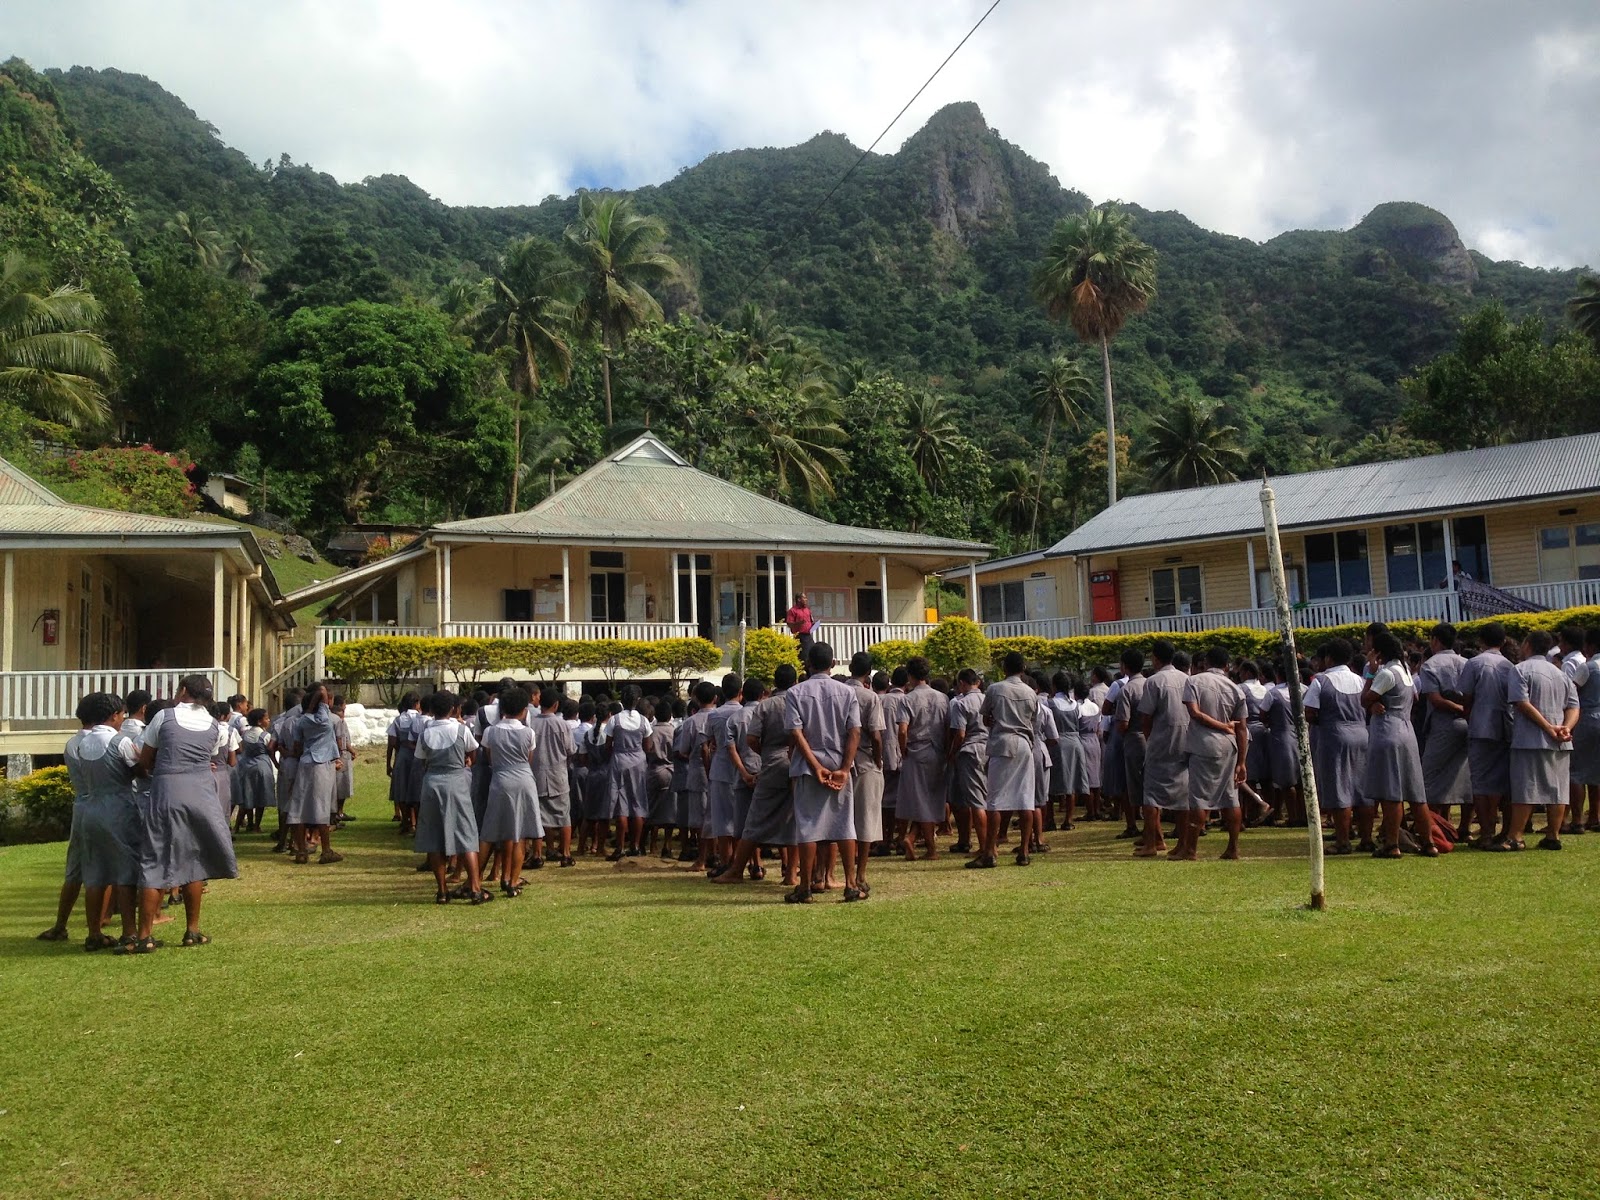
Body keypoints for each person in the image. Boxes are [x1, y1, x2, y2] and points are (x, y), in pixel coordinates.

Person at [130, 674, 238, 952]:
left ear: (182, 690)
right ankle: (192, 930)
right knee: (195, 859)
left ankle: (145, 935)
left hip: (167, 791)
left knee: (155, 858)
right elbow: (210, 756)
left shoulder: (164, 717)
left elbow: (146, 760)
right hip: (202, 793)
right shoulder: (215, 725)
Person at [62, 692, 142, 952]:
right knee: (125, 871)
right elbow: (139, 770)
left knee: (94, 874)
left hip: (89, 809)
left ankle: (94, 933)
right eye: (121, 715)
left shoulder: (81, 743)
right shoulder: (120, 741)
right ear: (113, 715)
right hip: (118, 807)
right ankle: (129, 932)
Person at [783, 642, 860, 904]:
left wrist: (815, 765)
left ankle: (805, 886)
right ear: (833, 664)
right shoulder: (847, 692)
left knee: (808, 827)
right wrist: (845, 768)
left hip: (808, 767)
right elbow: (854, 732)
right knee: (844, 825)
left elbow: (796, 733)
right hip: (838, 765)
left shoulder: (795, 692)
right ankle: (850, 884)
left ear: (808, 665)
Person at [713, 663, 801, 887]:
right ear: (795, 682)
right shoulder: (800, 701)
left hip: (771, 764)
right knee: (794, 818)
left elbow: (752, 739)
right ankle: (791, 873)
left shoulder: (766, 706)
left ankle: (737, 870)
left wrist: (766, 752)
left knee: (754, 819)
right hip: (797, 762)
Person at [1498, 630, 1579, 851]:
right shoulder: (1560, 673)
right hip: (1560, 740)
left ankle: (1515, 836)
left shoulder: (1520, 669)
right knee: (1558, 789)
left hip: (1530, 738)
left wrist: (1547, 727)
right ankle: (1553, 834)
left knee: (1526, 787)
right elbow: (1573, 706)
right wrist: (1565, 727)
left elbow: (1521, 703)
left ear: (1527, 645)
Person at [1362, 632, 1436, 858]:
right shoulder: (1405, 672)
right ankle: (1429, 843)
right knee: (1415, 792)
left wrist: (1371, 672)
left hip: (1388, 730)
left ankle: (1392, 844)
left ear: (1379, 652)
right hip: (1406, 730)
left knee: (1391, 792)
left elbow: (1364, 699)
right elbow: (1414, 698)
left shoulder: (1386, 673)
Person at [414, 690, 490, 904]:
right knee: (466, 834)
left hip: (432, 783)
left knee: (434, 837)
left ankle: (442, 891)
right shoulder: (461, 729)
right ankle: (475, 887)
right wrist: (464, 761)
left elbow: (422, 759)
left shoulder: (425, 733)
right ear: (453, 709)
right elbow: (473, 754)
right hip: (456, 782)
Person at [1180, 647, 1248, 861]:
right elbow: (1242, 728)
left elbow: (1194, 713)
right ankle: (1233, 848)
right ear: (1227, 666)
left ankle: (1190, 850)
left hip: (1204, 744)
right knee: (1230, 797)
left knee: (1199, 799)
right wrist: (1242, 761)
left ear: (1206, 662)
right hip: (1229, 746)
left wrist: (1220, 726)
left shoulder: (1194, 681)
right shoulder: (1235, 688)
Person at [1304, 638, 1371, 855]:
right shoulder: (1360, 680)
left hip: (1334, 735)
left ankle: (1343, 840)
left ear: (1328, 658)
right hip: (1362, 734)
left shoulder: (1321, 681)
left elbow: (1309, 712)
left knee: (1339, 788)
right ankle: (1366, 838)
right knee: (1362, 789)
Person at [974, 650, 1038, 869]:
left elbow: (985, 718)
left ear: (1004, 668)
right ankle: (1024, 851)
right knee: (1025, 799)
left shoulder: (995, 689)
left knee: (995, 800)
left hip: (1002, 742)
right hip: (1025, 744)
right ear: (1023, 668)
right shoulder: (1030, 692)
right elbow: (1033, 720)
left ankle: (989, 851)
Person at [1459, 621, 1518, 848]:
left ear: (1480, 641)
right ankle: (1505, 832)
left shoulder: (1475, 663)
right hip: (1506, 728)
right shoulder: (1509, 665)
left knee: (1482, 783)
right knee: (1506, 783)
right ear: (1503, 641)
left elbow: (1466, 696)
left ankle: (1486, 833)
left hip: (1481, 726)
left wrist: (1468, 712)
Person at [479, 686, 543, 895]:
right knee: (520, 834)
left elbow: (490, 757)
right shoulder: (528, 733)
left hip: (500, 781)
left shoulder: (490, 731)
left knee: (489, 833)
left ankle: (475, 881)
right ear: (524, 711)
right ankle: (513, 882)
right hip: (524, 781)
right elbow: (528, 759)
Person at [1415, 623, 1471, 835]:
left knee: (1429, 777)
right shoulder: (1467, 663)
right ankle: (1464, 827)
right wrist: (1467, 710)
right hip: (1468, 722)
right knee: (1466, 776)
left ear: (1435, 640)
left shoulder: (1430, 665)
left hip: (1444, 723)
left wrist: (1458, 708)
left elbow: (1436, 699)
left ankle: (1432, 829)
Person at [1136, 640, 1189, 857]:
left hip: (1160, 741)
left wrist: (1150, 739)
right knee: (1184, 796)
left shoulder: (1154, 681)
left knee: (1151, 796)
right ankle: (1183, 843)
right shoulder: (1186, 679)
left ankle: (1151, 843)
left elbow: (1146, 717)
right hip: (1185, 741)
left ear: (1155, 658)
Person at [895, 656, 949, 861]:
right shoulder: (942, 698)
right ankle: (922, 843)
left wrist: (903, 749)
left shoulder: (907, 699)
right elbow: (948, 728)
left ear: (910, 676)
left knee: (920, 801)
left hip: (916, 751)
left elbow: (902, 730)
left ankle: (921, 843)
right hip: (937, 751)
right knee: (931, 800)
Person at [287, 683, 344, 865]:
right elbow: (321, 691)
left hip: (305, 763)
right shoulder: (324, 719)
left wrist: (308, 708)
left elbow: (297, 747)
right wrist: (316, 704)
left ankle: (301, 851)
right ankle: (326, 850)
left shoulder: (301, 721)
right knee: (321, 807)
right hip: (322, 765)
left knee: (299, 807)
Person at [845, 653, 885, 895]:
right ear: (868, 673)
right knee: (866, 820)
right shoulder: (870, 697)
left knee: (843, 821)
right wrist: (878, 760)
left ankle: (830, 873)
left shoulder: (839, 692)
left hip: (840, 762)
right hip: (865, 761)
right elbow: (876, 735)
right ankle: (859, 874)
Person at [603, 684, 655, 861]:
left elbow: (607, 745)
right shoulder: (644, 721)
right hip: (638, 762)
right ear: (638, 700)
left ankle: (620, 847)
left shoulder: (614, 720)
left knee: (621, 805)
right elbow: (648, 746)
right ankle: (636, 845)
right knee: (638, 802)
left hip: (619, 761)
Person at [529, 686, 576, 867]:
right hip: (558, 775)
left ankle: (537, 854)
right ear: (556, 705)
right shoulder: (562, 725)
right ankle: (566, 854)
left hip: (537, 775)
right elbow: (571, 750)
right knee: (563, 816)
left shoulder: (531, 724)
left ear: (540, 703)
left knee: (539, 817)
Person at [701, 673, 744, 871]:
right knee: (740, 817)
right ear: (740, 692)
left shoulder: (714, 715)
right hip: (743, 768)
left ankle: (726, 861)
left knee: (721, 818)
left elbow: (706, 744)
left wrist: (708, 766)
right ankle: (738, 860)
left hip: (720, 768)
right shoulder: (746, 713)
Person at [947, 667, 988, 854]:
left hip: (970, 751)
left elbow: (960, 734)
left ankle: (984, 846)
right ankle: (984, 843)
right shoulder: (988, 699)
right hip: (989, 749)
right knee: (986, 799)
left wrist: (952, 752)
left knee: (976, 802)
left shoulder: (960, 703)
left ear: (962, 683)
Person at [1263, 661, 1303, 827]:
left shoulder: (1273, 693)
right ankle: (1303, 816)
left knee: (1287, 781)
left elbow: (1262, 714)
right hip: (1301, 736)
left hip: (1282, 736)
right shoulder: (1303, 690)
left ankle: (1292, 817)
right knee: (1301, 780)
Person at [1113, 650, 1147, 840]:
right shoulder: (1150, 684)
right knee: (1150, 783)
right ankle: (1152, 828)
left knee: (1130, 785)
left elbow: (1123, 723)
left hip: (1134, 738)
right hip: (1151, 738)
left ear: (1124, 667)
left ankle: (1132, 825)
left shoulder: (1127, 690)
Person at [1571, 628, 1600, 835]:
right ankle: (1595, 816)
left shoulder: (1587, 667)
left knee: (1578, 771)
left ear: (1590, 646)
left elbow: (1572, 692)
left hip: (1587, 718)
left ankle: (1577, 820)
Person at [270, 688, 304, 852]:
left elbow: (272, 746)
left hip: (286, 764)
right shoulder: (303, 720)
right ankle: (295, 842)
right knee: (298, 804)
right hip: (300, 763)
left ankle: (282, 840)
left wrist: (278, 762)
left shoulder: (280, 722)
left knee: (284, 804)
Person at [234, 708, 276, 834]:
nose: (268, 720)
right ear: (259, 721)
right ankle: (256, 825)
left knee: (247, 795)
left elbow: (242, 748)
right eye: (266, 718)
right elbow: (270, 749)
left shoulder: (246, 734)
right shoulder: (265, 736)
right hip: (261, 765)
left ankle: (243, 824)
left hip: (246, 765)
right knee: (261, 796)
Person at [386, 691, 422, 833]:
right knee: (415, 789)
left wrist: (390, 761)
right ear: (416, 703)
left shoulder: (398, 720)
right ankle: (416, 822)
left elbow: (392, 742)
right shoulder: (421, 718)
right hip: (418, 756)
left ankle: (406, 822)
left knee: (402, 789)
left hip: (403, 755)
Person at [330, 694, 355, 826]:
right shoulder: (336, 722)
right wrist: (351, 750)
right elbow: (341, 741)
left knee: (344, 784)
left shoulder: (341, 722)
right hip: (340, 756)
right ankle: (335, 814)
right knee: (338, 785)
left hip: (344, 755)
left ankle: (339, 811)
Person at [785, 592, 816, 658]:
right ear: (799, 599)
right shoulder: (792, 611)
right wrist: (798, 623)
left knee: (813, 653)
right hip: (800, 636)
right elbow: (789, 624)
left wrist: (814, 625)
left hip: (808, 636)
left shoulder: (807, 610)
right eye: (804, 598)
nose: (806, 599)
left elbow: (811, 621)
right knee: (804, 656)